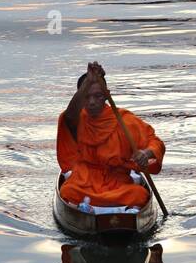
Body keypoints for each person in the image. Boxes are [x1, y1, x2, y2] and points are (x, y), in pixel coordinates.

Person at [56, 61, 164, 209]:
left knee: (139, 194)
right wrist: (89, 80)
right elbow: (69, 115)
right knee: (68, 191)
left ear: (107, 96)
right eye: (87, 97)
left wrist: (146, 153)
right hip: (84, 181)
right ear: (80, 98)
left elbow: (155, 142)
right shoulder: (76, 119)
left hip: (117, 182)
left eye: (98, 96)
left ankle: (103, 208)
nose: (92, 102)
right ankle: (115, 209)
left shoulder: (125, 120)